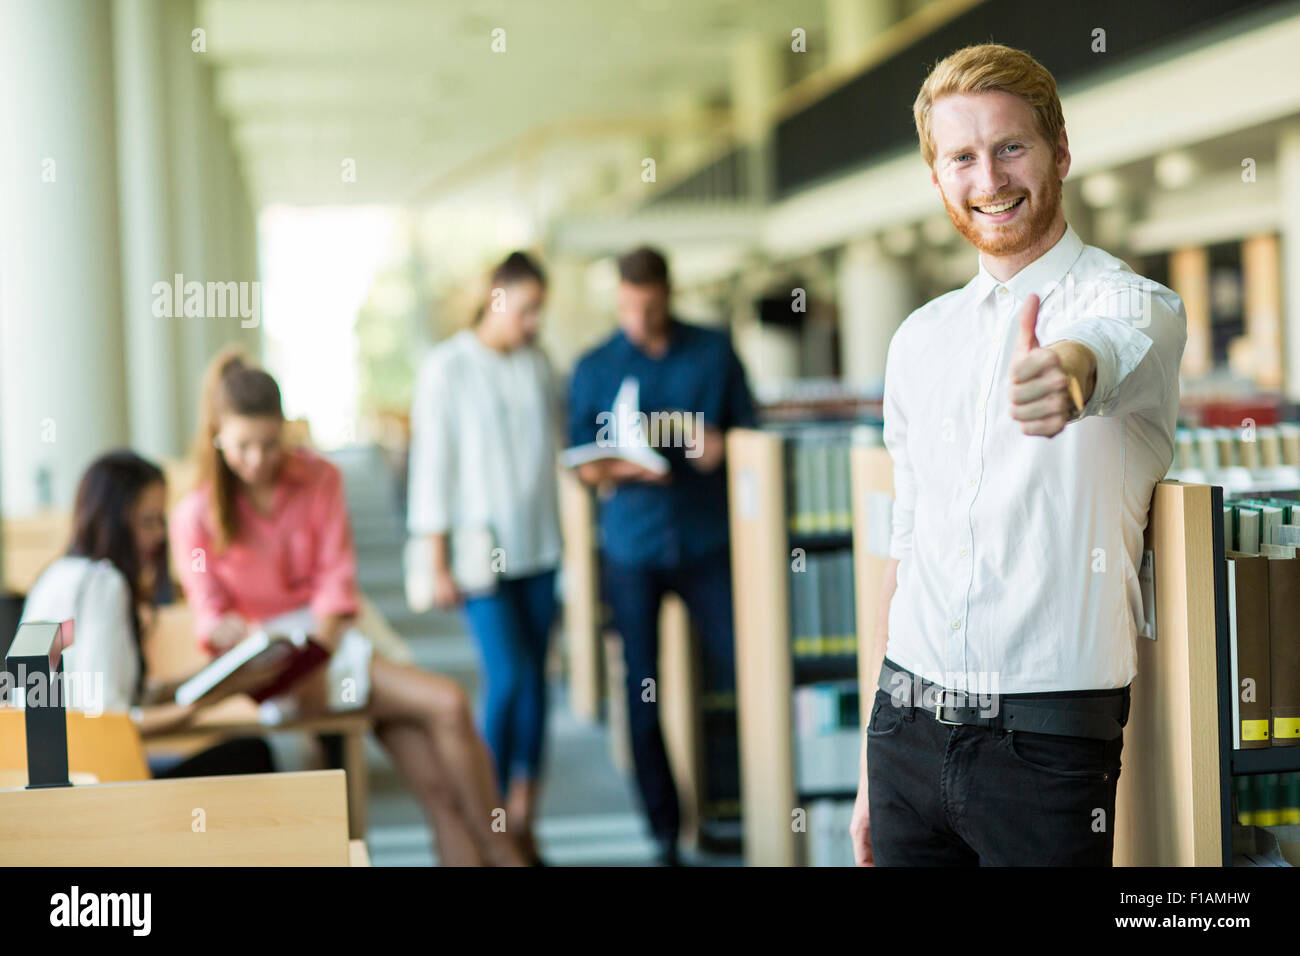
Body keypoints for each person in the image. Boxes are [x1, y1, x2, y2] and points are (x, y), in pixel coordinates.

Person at [851, 43, 1188, 867]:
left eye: (1011, 147)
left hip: (1044, 741)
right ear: (938, 178)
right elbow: (910, 546)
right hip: (904, 723)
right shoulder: (917, 338)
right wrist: (869, 763)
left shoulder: (1135, 302)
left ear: (1059, 152)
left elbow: (1102, 350)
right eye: (961, 157)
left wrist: (1065, 375)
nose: (989, 179)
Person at [170, 347, 526, 866]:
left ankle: (492, 849)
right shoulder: (195, 514)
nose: (259, 460)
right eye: (244, 446)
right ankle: (504, 852)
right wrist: (236, 635)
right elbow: (209, 612)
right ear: (217, 436)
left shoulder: (320, 477)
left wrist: (320, 649)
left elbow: (336, 579)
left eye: (271, 443)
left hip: (335, 638)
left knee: (442, 798)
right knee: (447, 703)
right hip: (271, 662)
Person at [566, 246, 758, 865]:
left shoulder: (712, 350)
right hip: (632, 549)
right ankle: (664, 833)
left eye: (648, 307)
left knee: (746, 674)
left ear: (668, 296)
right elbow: (579, 463)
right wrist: (616, 468)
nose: (637, 320)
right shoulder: (595, 365)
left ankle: (758, 810)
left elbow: (752, 434)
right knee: (641, 691)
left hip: (707, 543)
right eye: (626, 307)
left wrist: (723, 444)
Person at [407, 250, 562, 865]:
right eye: (525, 310)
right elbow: (432, 467)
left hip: (541, 549)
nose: (532, 323)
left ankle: (525, 813)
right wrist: (435, 556)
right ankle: (490, 818)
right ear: (496, 298)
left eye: (538, 312)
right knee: (510, 678)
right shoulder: (447, 367)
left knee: (539, 688)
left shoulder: (539, 363)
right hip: (480, 558)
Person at [20, 450, 275, 776]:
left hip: (54, 776)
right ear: (115, 521)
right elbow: (111, 719)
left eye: (161, 520)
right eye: (148, 521)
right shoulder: (103, 584)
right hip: (100, 787)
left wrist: (215, 674)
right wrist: (215, 699)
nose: (159, 535)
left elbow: (124, 693)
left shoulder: (55, 576)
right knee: (251, 754)